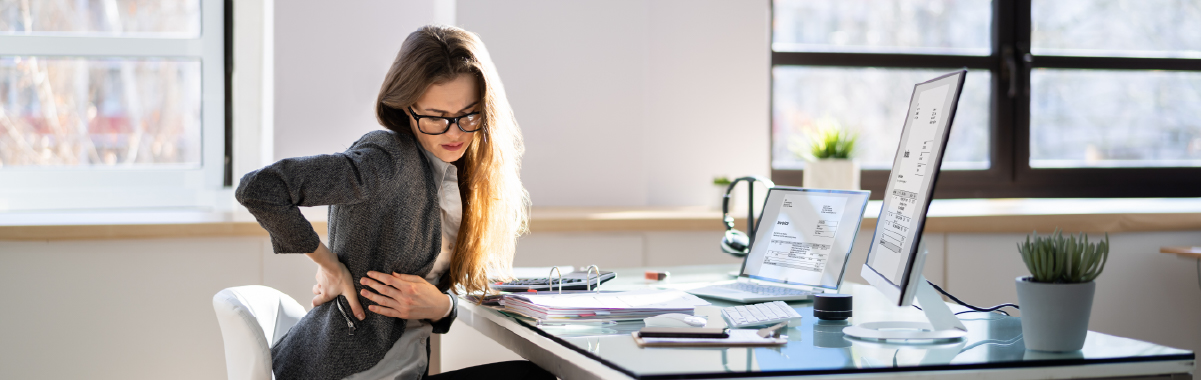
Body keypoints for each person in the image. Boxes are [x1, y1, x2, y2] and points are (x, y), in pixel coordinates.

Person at [236, 25, 554, 380]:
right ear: (407, 108)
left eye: (469, 114)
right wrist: (329, 263)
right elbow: (260, 188)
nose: (455, 132)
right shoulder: (385, 158)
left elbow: (439, 296)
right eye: (435, 117)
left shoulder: (461, 174)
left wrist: (443, 306)